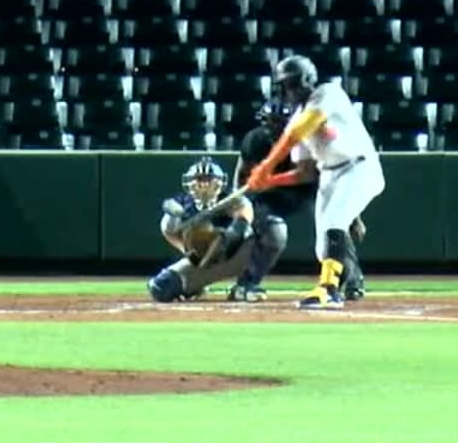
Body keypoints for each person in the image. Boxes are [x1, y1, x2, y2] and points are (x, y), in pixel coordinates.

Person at [246, 56, 385, 310]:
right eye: (287, 85)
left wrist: (266, 166)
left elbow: (301, 129)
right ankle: (340, 283)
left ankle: (329, 290)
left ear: (308, 81)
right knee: (323, 247)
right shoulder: (297, 117)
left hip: (358, 167)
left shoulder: (328, 94)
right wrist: (270, 181)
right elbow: (305, 173)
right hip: (329, 174)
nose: (292, 90)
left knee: (335, 221)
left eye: (295, 83)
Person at [234, 97, 368, 301]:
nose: (275, 129)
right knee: (272, 232)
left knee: (336, 227)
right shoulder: (255, 140)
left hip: (310, 188)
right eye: (270, 123)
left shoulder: (311, 140)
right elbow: (242, 174)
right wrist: (240, 205)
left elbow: (336, 178)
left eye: (280, 123)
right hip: (273, 194)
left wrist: (355, 217)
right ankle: (248, 282)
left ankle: (351, 280)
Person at [147, 156, 298, 303]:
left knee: (274, 228)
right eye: (200, 180)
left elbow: (243, 224)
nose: (204, 185)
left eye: (209, 180)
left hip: (237, 252)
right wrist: (189, 251)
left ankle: (247, 284)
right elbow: (168, 230)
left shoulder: (233, 200)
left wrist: (222, 240)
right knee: (161, 288)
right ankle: (195, 287)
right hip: (206, 260)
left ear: (220, 182)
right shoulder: (180, 209)